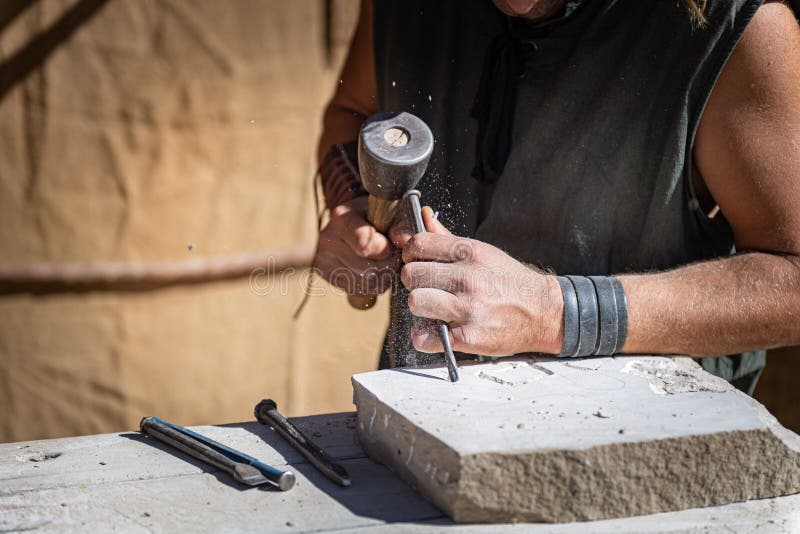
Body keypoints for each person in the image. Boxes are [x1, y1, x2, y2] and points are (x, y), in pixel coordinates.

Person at [313, 0, 800, 394]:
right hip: (416, 421)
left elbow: (793, 283)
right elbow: (353, 111)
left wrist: (556, 312)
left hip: (637, 459)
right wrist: (356, 202)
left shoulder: (741, 29)